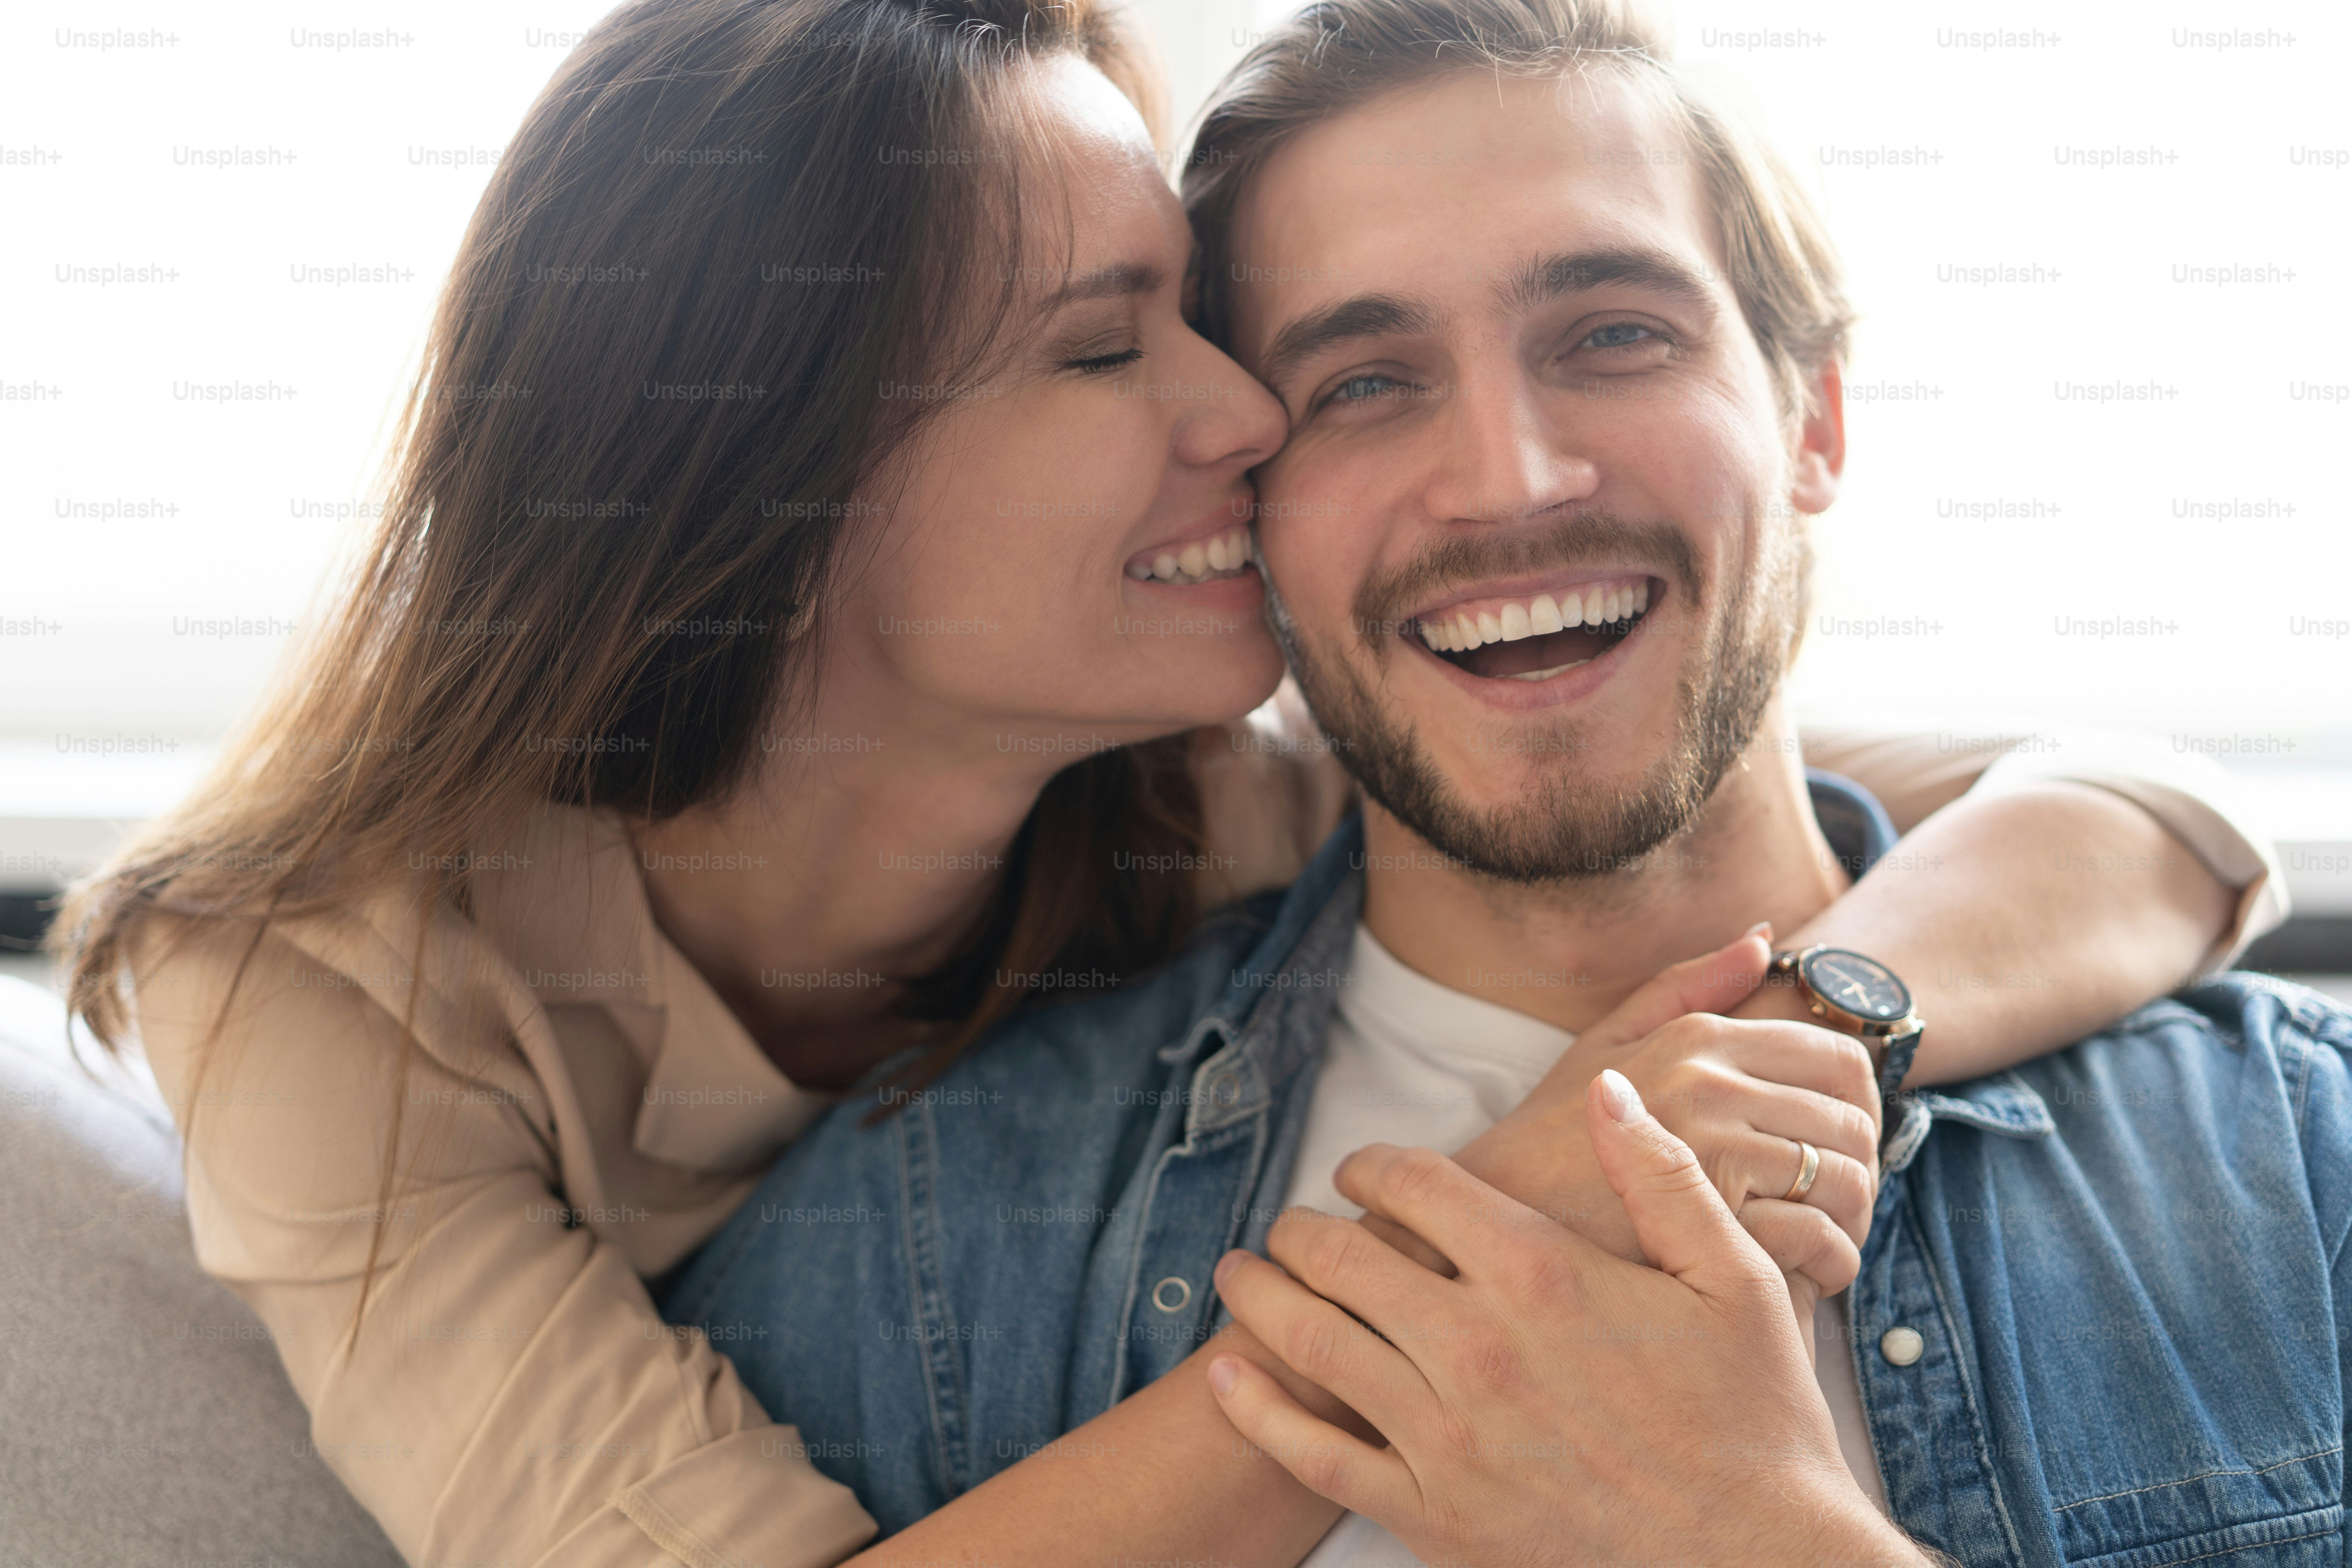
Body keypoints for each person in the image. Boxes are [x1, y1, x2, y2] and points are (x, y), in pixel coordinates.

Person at [56, 2, 2280, 1566]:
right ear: (790, 484)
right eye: (1117, 349)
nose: (1250, 419)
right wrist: (1510, 1228)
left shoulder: (1212, 798)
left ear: (1816, 415)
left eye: (1612, 331)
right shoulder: (326, 993)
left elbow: (2113, 808)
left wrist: (1792, 1029)